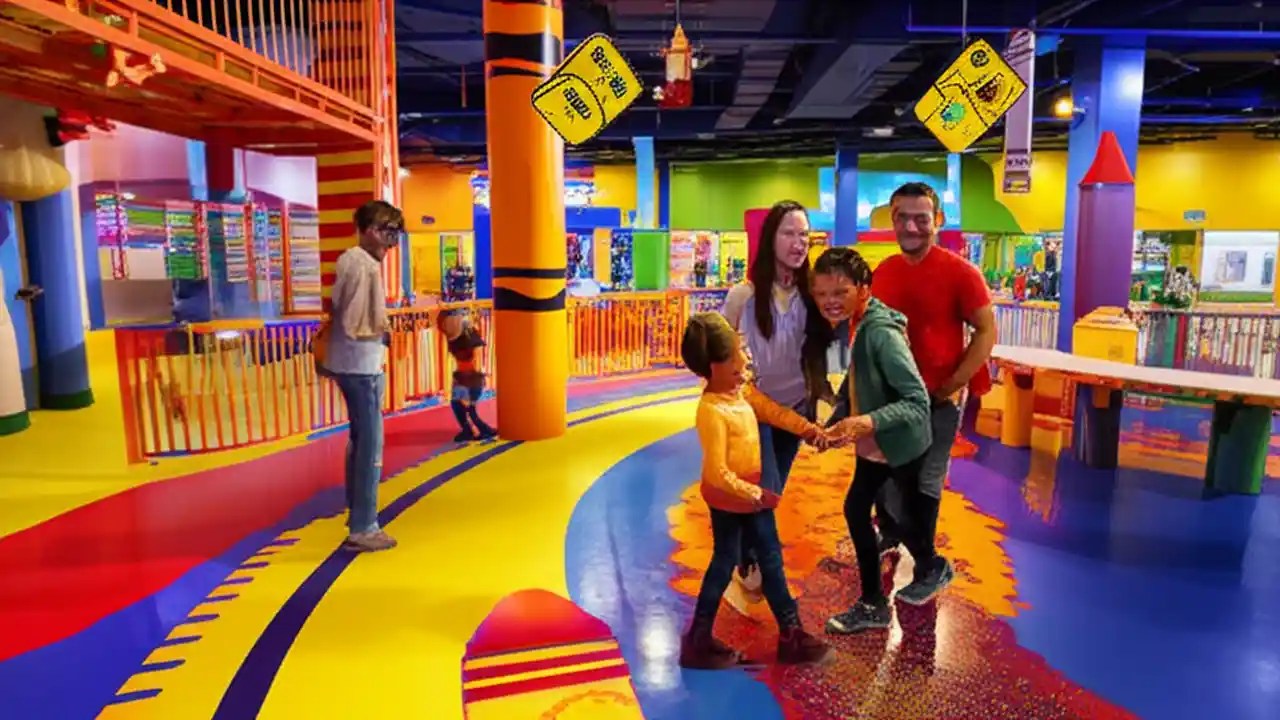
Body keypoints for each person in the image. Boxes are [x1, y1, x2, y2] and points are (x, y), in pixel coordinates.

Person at [678, 312, 832, 668]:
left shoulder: (742, 392)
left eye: (741, 352)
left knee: (767, 559)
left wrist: (809, 430)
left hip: (749, 498)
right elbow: (716, 472)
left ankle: (787, 633)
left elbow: (774, 413)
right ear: (713, 367)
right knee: (728, 561)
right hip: (734, 501)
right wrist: (755, 495)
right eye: (734, 356)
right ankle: (701, 638)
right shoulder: (712, 410)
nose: (744, 360)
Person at [869, 182, 997, 592]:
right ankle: (889, 532)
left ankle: (928, 567)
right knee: (884, 475)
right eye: (902, 217)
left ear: (937, 220)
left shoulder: (962, 272)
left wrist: (951, 386)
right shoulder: (884, 273)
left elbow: (985, 332)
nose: (911, 225)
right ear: (892, 220)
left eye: (921, 218)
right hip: (891, 401)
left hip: (937, 400)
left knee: (924, 480)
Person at [804, 248, 936, 633]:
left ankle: (879, 601)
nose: (830, 301)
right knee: (888, 516)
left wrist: (864, 421)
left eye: (840, 292)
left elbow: (917, 401)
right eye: (822, 293)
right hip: (880, 441)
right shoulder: (858, 324)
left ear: (863, 290)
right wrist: (837, 416)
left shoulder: (880, 333)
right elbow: (857, 378)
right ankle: (904, 579)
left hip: (897, 443)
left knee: (876, 514)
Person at [720, 199, 826, 609]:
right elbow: (716, 345)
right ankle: (777, 590)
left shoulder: (811, 293)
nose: (798, 243)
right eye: (789, 233)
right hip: (752, 412)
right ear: (770, 240)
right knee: (764, 496)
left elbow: (824, 349)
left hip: (794, 410)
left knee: (769, 492)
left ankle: (744, 558)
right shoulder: (743, 295)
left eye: (804, 235)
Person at [320, 199, 404, 553]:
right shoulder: (362, 265)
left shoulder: (349, 261)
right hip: (362, 365)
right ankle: (364, 526)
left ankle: (358, 517)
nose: (391, 243)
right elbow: (355, 317)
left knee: (360, 444)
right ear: (372, 231)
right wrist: (378, 329)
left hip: (351, 363)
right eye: (389, 233)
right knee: (370, 447)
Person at [438, 308, 497, 442]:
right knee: (461, 406)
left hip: (469, 378)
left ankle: (481, 430)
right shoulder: (464, 333)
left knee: (467, 407)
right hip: (467, 377)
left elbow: (474, 359)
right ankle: (472, 430)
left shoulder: (463, 337)